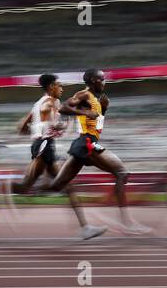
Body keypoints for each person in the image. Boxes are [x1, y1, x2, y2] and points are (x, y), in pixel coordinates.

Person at [46, 69, 148, 234]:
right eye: (102, 79)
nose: (105, 82)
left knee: (56, 186)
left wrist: (103, 109)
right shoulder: (83, 94)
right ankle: (127, 223)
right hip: (86, 143)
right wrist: (85, 111)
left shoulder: (99, 100)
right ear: (93, 80)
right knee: (122, 173)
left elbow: (96, 124)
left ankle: (27, 185)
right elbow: (63, 108)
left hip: (85, 144)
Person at [14, 73, 105, 240]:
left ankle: (85, 228)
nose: (62, 88)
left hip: (43, 145)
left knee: (64, 185)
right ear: (51, 87)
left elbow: (21, 127)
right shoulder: (51, 102)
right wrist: (59, 125)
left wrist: (40, 130)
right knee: (25, 187)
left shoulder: (38, 103)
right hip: (44, 146)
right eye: (59, 85)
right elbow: (53, 119)